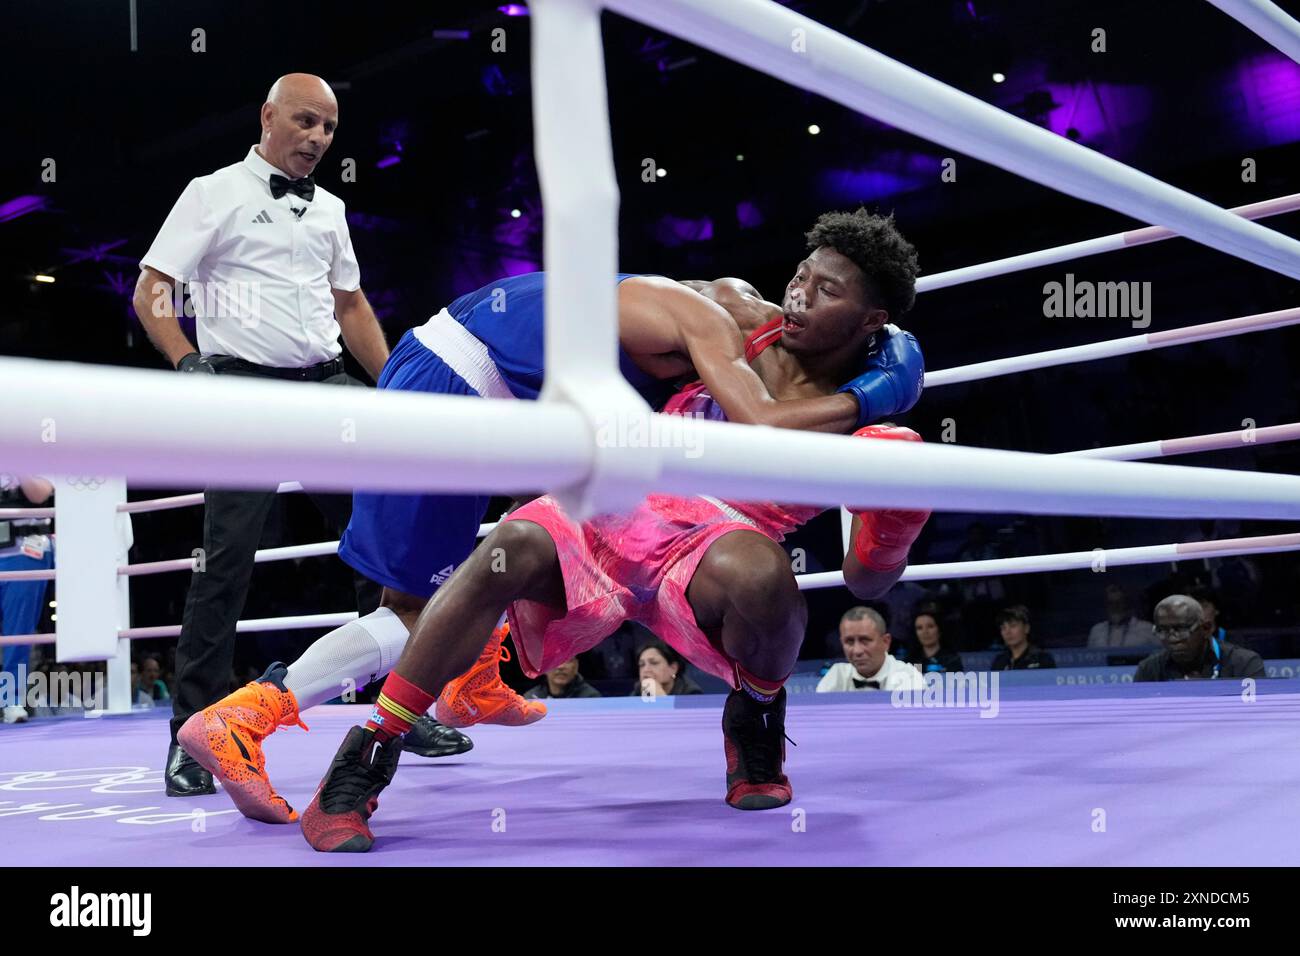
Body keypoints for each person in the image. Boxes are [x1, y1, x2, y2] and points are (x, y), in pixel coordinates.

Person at [179, 209, 925, 825]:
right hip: (467, 387)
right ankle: (249, 714)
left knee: (447, 589)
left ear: (870, 319)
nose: (795, 300)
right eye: (800, 280)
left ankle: (476, 677)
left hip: (490, 394)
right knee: (423, 606)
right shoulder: (724, 318)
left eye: (822, 292)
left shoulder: (717, 336)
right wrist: (872, 394)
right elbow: (759, 420)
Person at [133, 74, 474, 797]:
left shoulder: (332, 210)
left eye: (328, 127)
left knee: (388, 551)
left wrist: (397, 390)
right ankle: (192, 738)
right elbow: (153, 288)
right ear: (267, 117)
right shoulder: (213, 190)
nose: (317, 137)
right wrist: (188, 363)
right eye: (305, 121)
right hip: (243, 391)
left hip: (327, 389)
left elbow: (351, 307)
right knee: (223, 565)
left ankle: (398, 710)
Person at [0, 473, 54, 724]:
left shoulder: (40, 441)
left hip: (24, 551)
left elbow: (39, 493)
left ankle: (10, 699)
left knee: (17, 634)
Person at [1134, 594, 1264, 681]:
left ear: (1206, 629)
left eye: (1181, 629)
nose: (1172, 639)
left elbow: (1255, 712)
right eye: (1162, 631)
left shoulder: (1244, 663)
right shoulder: (1149, 669)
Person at [816, 607, 925, 692]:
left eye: (865, 640)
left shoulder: (908, 677)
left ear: (886, 642)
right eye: (849, 641)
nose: (857, 651)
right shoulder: (836, 675)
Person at [1086, 584, 1155, 648]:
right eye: (1111, 603)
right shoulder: (1096, 631)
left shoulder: (1147, 628)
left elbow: (1161, 656)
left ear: (1127, 604)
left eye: (1118, 603)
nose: (1115, 607)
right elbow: (1088, 658)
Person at [990, 605, 1055, 670]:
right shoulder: (999, 662)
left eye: (1013, 626)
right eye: (1003, 628)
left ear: (1026, 628)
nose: (1007, 632)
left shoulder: (1042, 660)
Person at [630, 639, 702, 697]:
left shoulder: (691, 693)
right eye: (642, 664)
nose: (646, 670)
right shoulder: (638, 690)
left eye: (654, 663)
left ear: (673, 669)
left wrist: (660, 698)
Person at [903, 609, 962, 674]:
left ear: (939, 630)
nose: (925, 632)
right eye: (919, 628)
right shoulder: (910, 662)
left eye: (930, 626)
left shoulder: (951, 660)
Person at [524, 654, 602, 700]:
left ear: (576, 666)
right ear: (543, 668)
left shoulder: (590, 698)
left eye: (567, 660)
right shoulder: (531, 698)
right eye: (554, 660)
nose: (560, 667)